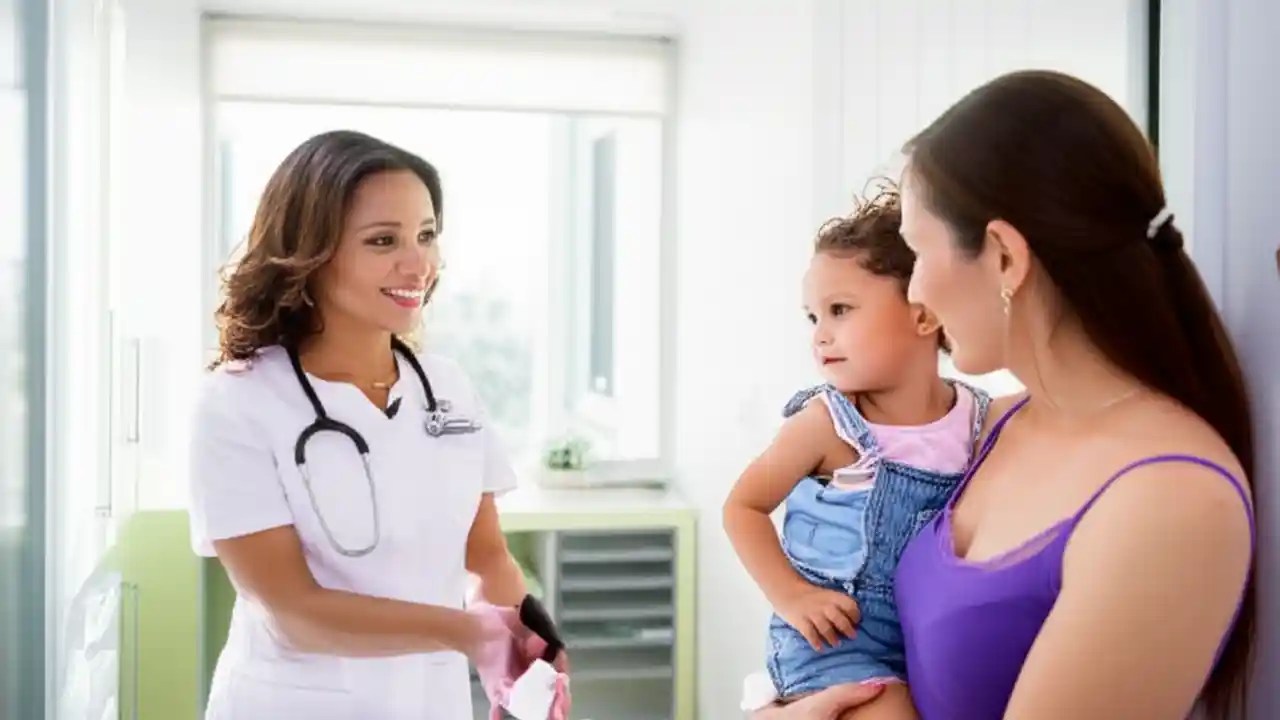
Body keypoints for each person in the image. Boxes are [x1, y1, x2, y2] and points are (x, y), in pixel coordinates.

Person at [760, 70, 1256, 719]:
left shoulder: (1170, 500)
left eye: (916, 255)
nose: (914, 295)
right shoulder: (998, 422)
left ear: (1002, 258)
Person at [187, 130, 569, 719]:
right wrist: (468, 634)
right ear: (310, 252)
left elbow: (486, 556)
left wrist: (529, 646)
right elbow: (293, 614)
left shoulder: (447, 388)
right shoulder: (239, 402)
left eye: (426, 235)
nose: (418, 264)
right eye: (383, 240)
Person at [725, 183, 990, 719]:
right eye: (813, 317)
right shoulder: (827, 425)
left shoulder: (979, 419)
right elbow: (741, 508)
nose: (820, 336)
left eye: (840, 310)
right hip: (833, 647)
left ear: (924, 315)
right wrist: (792, 597)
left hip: (924, 646)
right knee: (888, 708)